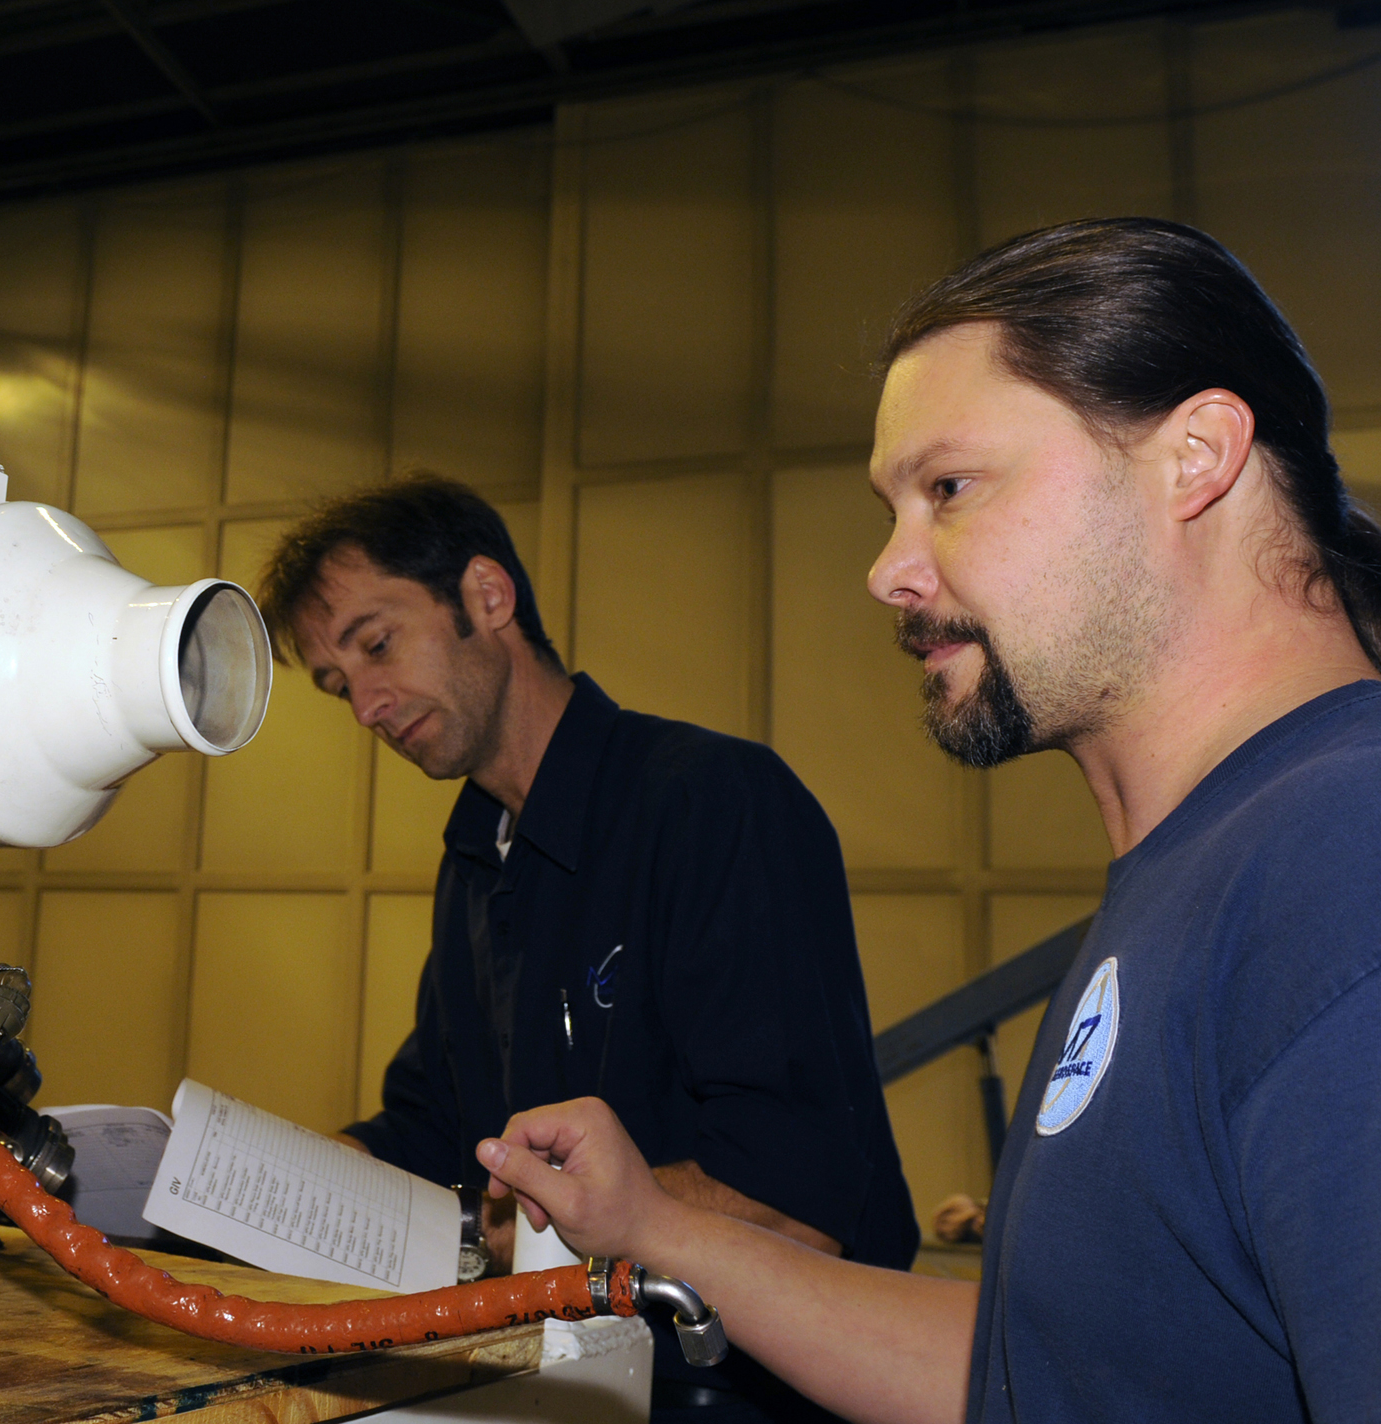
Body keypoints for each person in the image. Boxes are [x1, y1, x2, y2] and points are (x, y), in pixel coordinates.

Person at [477, 217, 1381, 1424]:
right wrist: (651, 1223)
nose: (886, 570)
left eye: (946, 488)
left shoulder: (1343, 862)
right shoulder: (1202, 871)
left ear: (1195, 456)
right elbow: (1042, 1361)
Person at [257, 476, 919, 1421]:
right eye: (337, 684)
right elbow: (432, 1128)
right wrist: (248, 1184)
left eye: (376, 644)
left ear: (488, 597)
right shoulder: (477, 862)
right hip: (571, 1380)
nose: (364, 704)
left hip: (739, 1393)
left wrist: (520, 1223)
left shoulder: (712, 802)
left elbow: (793, 1189)